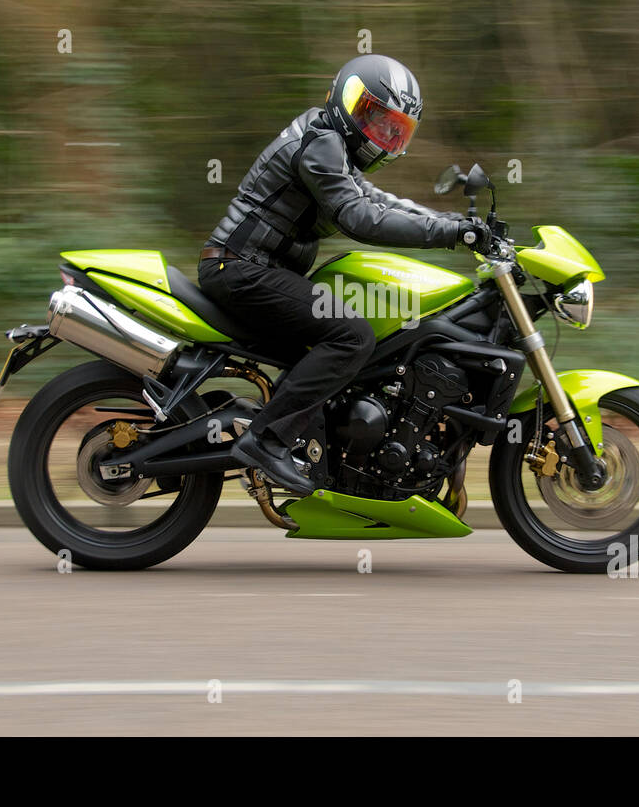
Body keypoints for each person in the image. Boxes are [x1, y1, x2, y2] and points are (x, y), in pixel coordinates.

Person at [198, 54, 488, 495]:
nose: (385, 138)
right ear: (349, 102)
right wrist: (450, 235)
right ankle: (267, 440)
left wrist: (455, 224)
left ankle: (310, 449)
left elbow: (380, 202)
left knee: (343, 335)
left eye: (397, 131)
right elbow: (359, 218)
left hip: (256, 269)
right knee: (353, 335)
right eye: (379, 122)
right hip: (241, 267)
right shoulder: (321, 141)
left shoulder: (334, 149)